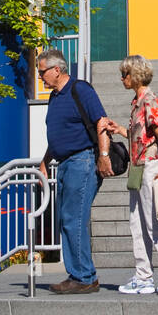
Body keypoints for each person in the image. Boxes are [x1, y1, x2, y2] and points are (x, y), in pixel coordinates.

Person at [38, 48, 113, 294]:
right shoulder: (55, 97)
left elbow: (101, 122)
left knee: (74, 218)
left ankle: (83, 276)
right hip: (65, 164)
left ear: (56, 70)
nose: (40, 77)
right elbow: (60, 133)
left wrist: (103, 157)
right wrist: (45, 160)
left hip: (83, 161)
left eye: (42, 72)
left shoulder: (80, 90)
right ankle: (81, 274)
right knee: (67, 218)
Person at [104, 54, 158, 295]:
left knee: (156, 221)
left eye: (124, 74)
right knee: (137, 223)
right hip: (137, 167)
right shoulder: (137, 102)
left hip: (150, 167)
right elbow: (141, 135)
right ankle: (143, 275)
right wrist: (121, 130)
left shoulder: (150, 101)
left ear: (135, 75)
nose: (122, 78)